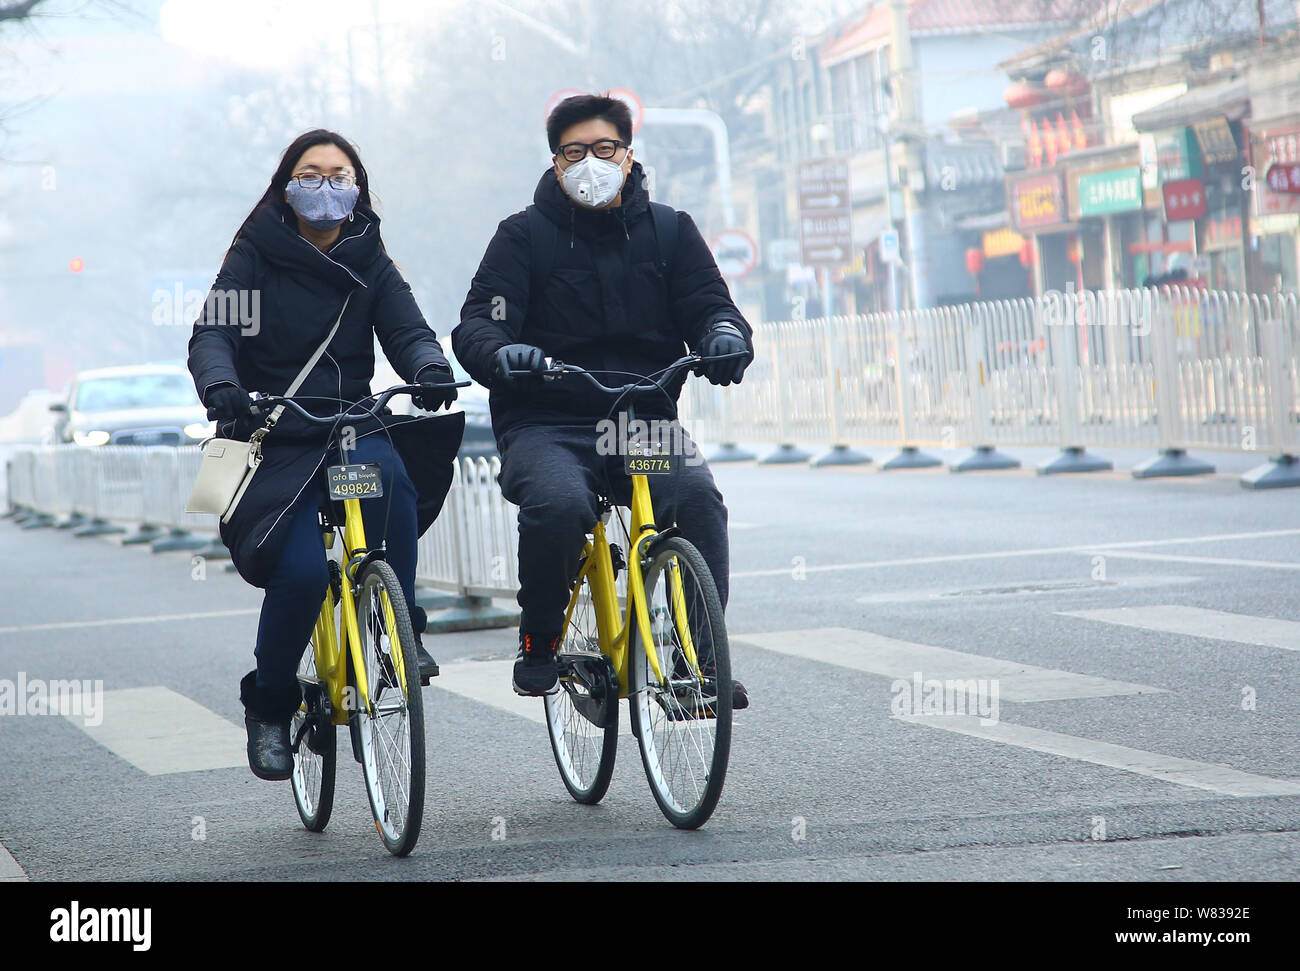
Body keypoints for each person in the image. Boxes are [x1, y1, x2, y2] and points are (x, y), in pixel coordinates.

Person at [453, 93, 752, 706]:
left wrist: (724, 337)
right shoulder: (522, 237)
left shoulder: (671, 230)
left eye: (605, 148)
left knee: (697, 500)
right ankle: (539, 637)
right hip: (547, 421)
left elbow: (711, 307)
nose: (592, 161)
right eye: (575, 152)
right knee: (560, 506)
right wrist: (501, 353)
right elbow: (481, 322)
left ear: (628, 153)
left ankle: (697, 662)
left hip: (643, 420)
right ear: (557, 163)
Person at [188, 129, 464, 780]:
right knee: (305, 574)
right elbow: (214, 334)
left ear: (358, 185)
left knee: (393, 483)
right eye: (310, 173)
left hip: (349, 423)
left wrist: (428, 367)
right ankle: (270, 705)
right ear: (287, 186)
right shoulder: (256, 250)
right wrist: (222, 386)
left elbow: (406, 327)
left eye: (339, 174)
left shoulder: (370, 253)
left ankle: (402, 632)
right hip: (275, 431)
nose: (325, 185)